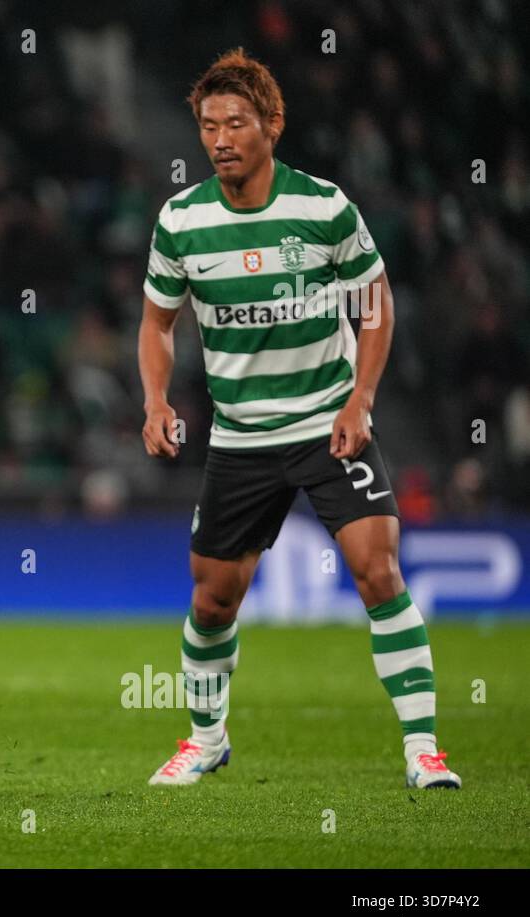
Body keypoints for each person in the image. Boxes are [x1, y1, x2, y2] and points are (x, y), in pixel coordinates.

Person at [139, 50, 460, 789]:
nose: (219, 139)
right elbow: (157, 322)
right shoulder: (181, 221)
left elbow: (375, 304)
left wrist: (362, 400)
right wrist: (155, 399)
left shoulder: (322, 207)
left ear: (272, 126)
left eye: (235, 123)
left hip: (327, 425)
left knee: (378, 570)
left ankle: (424, 749)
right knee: (212, 596)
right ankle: (206, 738)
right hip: (242, 438)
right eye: (208, 125)